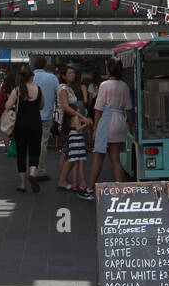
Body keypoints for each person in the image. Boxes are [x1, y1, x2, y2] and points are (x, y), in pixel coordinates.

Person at [79, 58, 134, 201]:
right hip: (120, 121)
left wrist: (96, 128)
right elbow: (129, 109)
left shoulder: (104, 85)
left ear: (108, 69)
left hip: (106, 121)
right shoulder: (124, 86)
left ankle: (90, 189)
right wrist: (131, 127)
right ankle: (120, 191)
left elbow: (98, 108)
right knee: (115, 158)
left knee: (98, 158)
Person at [7, 64, 44, 192]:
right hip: (36, 124)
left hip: (20, 125)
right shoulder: (38, 89)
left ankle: (22, 184)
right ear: (31, 77)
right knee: (35, 151)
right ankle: (32, 174)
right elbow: (41, 106)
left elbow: (7, 106)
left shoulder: (17, 90)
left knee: (21, 154)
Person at [55, 63, 90, 189]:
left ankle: (63, 179)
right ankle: (62, 180)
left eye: (73, 73)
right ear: (63, 76)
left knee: (65, 152)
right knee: (70, 152)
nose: (72, 75)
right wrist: (81, 117)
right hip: (66, 123)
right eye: (69, 73)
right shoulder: (63, 88)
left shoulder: (69, 88)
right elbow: (65, 106)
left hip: (69, 122)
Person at [30, 55, 59, 182]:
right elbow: (58, 94)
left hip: (30, 115)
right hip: (46, 115)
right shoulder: (52, 78)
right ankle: (39, 170)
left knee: (32, 143)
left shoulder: (30, 78)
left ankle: (32, 169)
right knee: (42, 144)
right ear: (45, 65)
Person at [62, 109, 90, 192]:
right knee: (81, 165)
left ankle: (74, 183)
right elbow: (78, 128)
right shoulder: (75, 117)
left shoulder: (70, 119)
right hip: (78, 142)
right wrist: (86, 124)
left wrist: (85, 120)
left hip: (72, 143)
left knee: (75, 165)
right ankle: (83, 183)